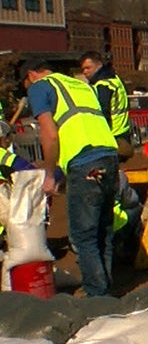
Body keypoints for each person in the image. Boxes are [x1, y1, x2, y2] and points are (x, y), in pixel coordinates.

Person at [20, 59, 121, 297]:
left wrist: (48, 174)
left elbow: (50, 135)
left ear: (31, 74)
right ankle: (106, 287)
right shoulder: (80, 85)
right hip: (108, 155)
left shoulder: (40, 86)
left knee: (83, 235)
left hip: (83, 160)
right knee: (102, 230)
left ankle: (97, 295)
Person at [80, 51, 133, 161]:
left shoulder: (103, 85)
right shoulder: (115, 79)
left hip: (112, 136)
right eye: (83, 69)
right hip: (123, 133)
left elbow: (103, 113)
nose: (85, 72)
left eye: (88, 68)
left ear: (98, 65)